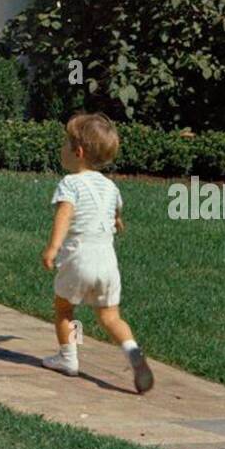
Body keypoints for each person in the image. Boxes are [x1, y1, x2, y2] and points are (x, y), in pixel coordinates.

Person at [40, 111, 154, 393]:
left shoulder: (70, 183)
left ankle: (68, 358)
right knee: (110, 316)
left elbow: (65, 215)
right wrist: (117, 222)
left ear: (77, 152)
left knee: (65, 308)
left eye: (66, 144)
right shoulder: (110, 186)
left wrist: (53, 247)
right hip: (107, 262)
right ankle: (132, 352)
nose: (62, 149)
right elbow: (115, 215)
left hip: (79, 258)